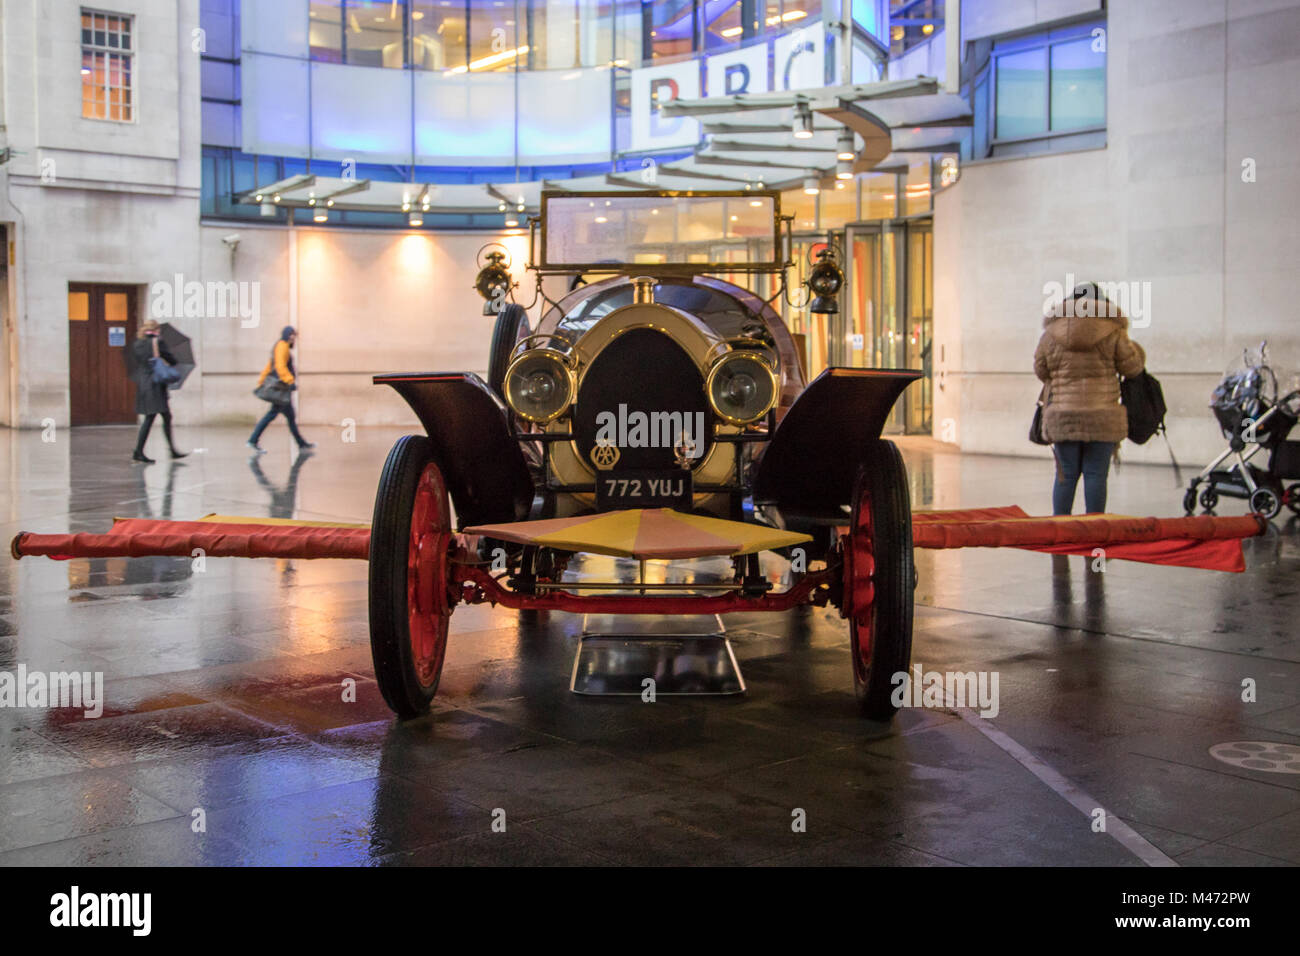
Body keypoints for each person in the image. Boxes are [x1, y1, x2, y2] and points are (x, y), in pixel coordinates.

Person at [1034, 282, 1145, 515]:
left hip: (1063, 416)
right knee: (1096, 474)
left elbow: (1041, 371)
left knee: (1066, 473)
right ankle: (1094, 529)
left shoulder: (1050, 334)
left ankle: (1060, 527)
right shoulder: (1114, 332)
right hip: (1102, 415)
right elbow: (1133, 368)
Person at [247, 326, 314, 454]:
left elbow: (270, 365)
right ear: (286, 335)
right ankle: (253, 440)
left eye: (294, 335)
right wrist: (290, 380)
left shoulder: (281, 346)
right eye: (291, 334)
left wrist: (262, 380)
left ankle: (301, 443)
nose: (293, 337)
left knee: (289, 416)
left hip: (282, 389)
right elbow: (279, 366)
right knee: (273, 415)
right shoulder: (282, 346)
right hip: (281, 389)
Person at [131, 320, 187, 463]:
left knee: (164, 416)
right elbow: (172, 360)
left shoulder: (138, 343)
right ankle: (139, 451)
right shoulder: (157, 342)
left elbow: (138, 362)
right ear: (156, 329)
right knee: (151, 418)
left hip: (144, 383)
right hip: (156, 385)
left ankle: (171, 450)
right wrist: (163, 359)